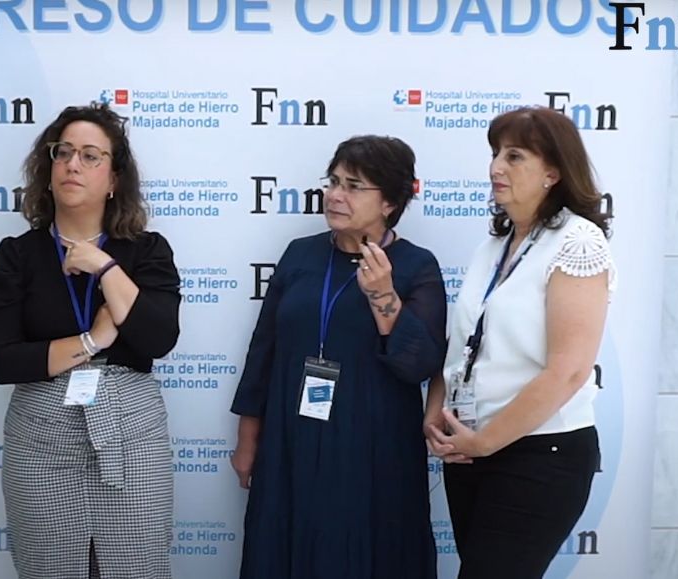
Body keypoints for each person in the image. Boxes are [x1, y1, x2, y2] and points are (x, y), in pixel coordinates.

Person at [0, 102, 181, 579]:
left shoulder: (146, 251)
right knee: (49, 568)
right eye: (63, 152)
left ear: (114, 180)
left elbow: (157, 338)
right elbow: (4, 361)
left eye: (91, 156)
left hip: (130, 438)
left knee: (137, 568)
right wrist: (94, 339)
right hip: (42, 442)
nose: (72, 164)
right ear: (47, 171)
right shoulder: (16, 256)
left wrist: (104, 267)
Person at [230, 135, 446, 579]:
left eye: (353, 185)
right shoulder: (300, 254)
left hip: (375, 447)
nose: (334, 195)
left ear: (389, 201)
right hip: (293, 437)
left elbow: (419, 364)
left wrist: (384, 296)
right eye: (332, 182)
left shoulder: (415, 266)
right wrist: (248, 441)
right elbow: (263, 352)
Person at [425, 106, 614, 579]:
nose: (495, 168)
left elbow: (569, 370)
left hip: (539, 455)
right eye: (494, 154)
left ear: (553, 171)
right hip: (470, 448)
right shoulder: (494, 245)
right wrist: (437, 409)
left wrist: (487, 441)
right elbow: (464, 345)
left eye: (514, 157)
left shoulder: (578, 241)